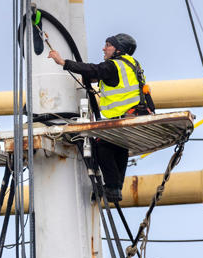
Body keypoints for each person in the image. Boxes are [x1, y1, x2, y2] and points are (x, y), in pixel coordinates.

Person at [48, 33, 155, 202]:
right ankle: (116, 188)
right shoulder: (130, 64)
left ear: (118, 49)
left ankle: (112, 187)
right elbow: (103, 76)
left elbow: (95, 69)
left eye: (108, 45)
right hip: (137, 114)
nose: (104, 48)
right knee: (119, 147)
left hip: (127, 116)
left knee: (102, 146)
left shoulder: (113, 65)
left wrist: (63, 63)